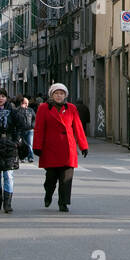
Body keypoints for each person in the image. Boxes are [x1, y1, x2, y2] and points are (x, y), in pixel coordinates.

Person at [33, 83, 89, 211]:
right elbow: (39, 129)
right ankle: (48, 194)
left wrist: (83, 146)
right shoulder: (43, 108)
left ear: (65, 95)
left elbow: (78, 128)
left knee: (66, 179)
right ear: (52, 95)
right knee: (51, 178)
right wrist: (37, 146)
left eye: (62, 93)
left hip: (68, 148)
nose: (59, 96)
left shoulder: (71, 108)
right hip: (50, 148)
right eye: (56, 93)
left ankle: (63, 203)